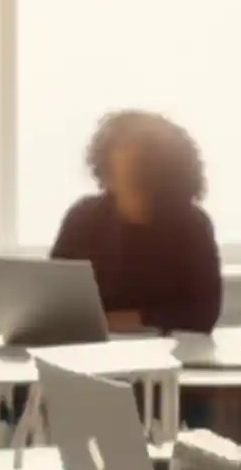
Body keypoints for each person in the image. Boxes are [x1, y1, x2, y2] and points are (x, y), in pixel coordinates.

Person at [51, 110, 221, 334]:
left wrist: (120, 321)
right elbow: (53, 302)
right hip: (91, 351)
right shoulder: (83, 218)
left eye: (139, 159)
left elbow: (203, 315)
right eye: (120, 154)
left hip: (169, 352)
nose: (128, 165)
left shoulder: (192, 224)